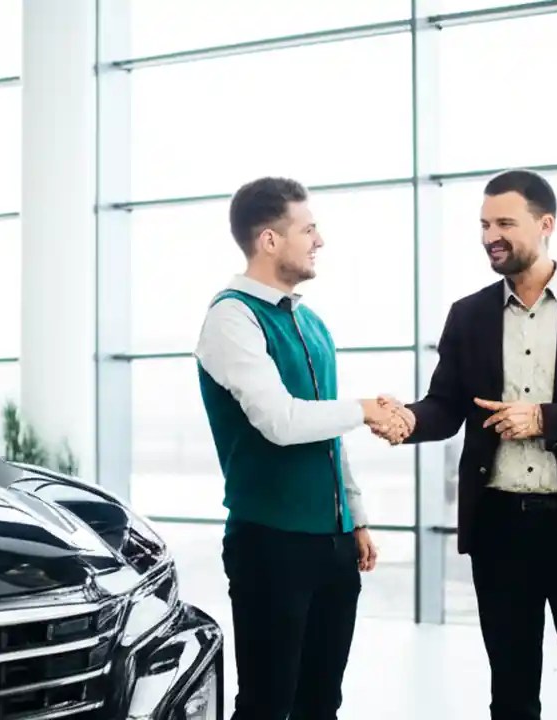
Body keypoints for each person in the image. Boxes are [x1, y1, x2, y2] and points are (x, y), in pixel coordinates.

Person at [379, 169, 557, 720]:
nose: (491, 236)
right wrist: (407, 420)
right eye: (484, 225)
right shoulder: (468, 315)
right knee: (510, 693)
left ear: (546, 223)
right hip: (501, 528)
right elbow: (446, 405)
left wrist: (544, 418)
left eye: (505, 222)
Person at [194, 176, 410, 720]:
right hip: (271, 545)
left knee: (321, 703)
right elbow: (281, 421)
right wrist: (365, 408)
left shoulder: (310, 321)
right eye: (308, 228)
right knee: (267, 703)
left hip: (332, 545)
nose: (320, 240)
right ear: (269, 240)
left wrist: (354, 516)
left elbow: (328, 435)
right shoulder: (231, 317)